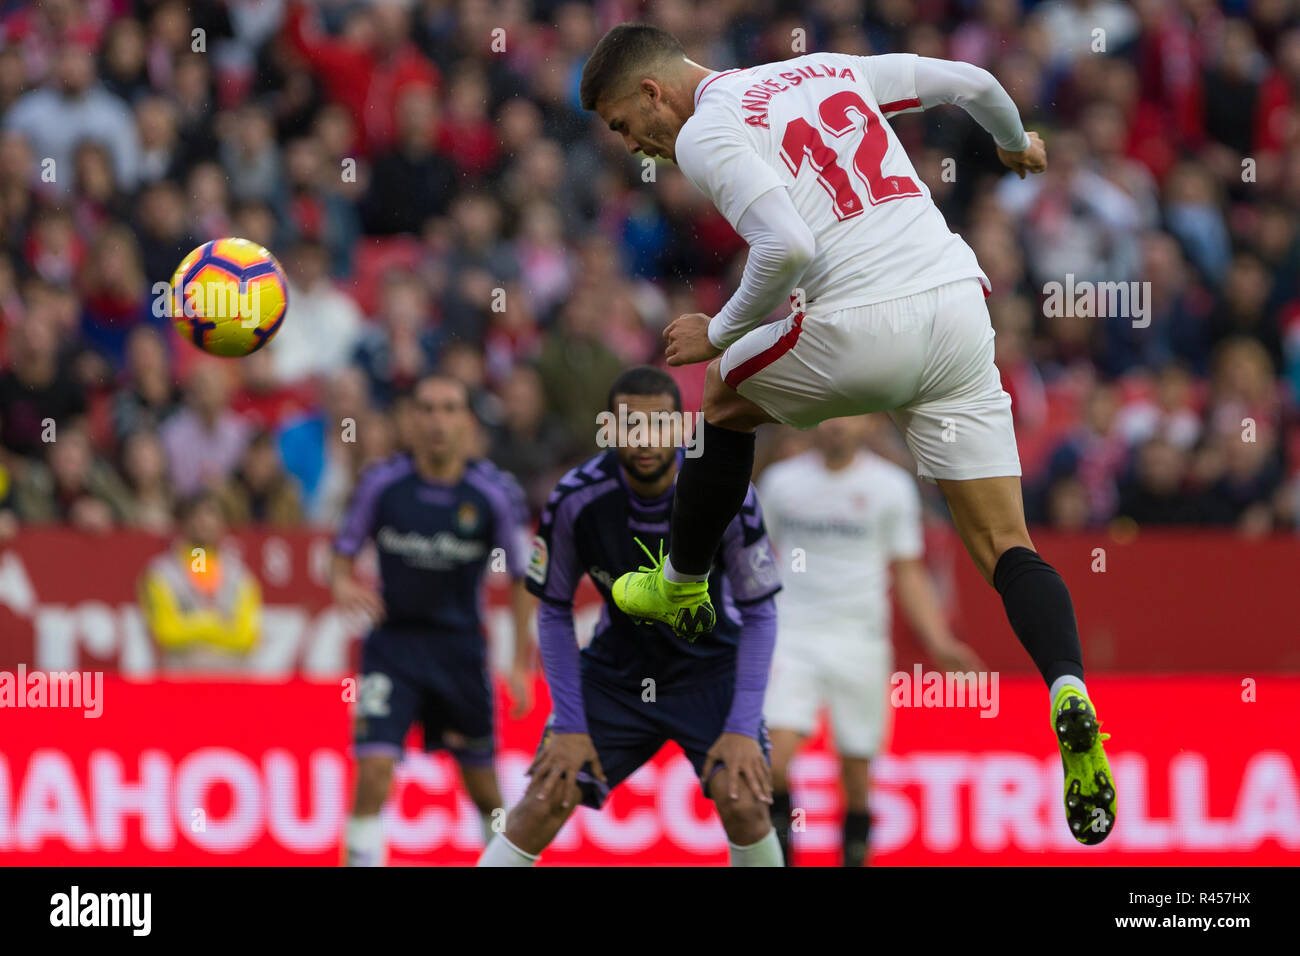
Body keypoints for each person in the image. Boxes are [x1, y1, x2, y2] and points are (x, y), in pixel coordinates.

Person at [581, 23, 1116, 844]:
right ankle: (1068, 692)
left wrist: (720, 330)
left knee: (723, 396)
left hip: (865, 321)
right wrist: (1016, 146)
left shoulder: (706, 127)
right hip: (958, 307)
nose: (631, 144)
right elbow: (973, 81)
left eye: (624, 124)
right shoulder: (827, 69)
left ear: (652, 92)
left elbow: (787, 247)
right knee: (1007, 544)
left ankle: (682, 582)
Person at [479, 366, 784, 867]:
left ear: (681, 429)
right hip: (616, 679)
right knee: (541, 802)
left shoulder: (723, 490)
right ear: (609, 428)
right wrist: (572, 725)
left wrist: (744, 725)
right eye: (628, 425)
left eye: (658, 425)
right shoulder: (576, 497)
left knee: (745, 799)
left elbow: (760, 611)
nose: (644, 439)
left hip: (710, 675)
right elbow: (553, 610)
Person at [758, 415, 983, 866]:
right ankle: (780, 859)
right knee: (773, 762)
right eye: (827, 414)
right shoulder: (781, 483)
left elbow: (908, 571)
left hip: (860, 639)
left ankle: (854, 856)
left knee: (857, 776)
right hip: (792, 635)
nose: (837, 425)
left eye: (849, 414)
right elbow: (756, 558)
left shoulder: (889, 487)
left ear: (869, 422)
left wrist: (939, 641)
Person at [331, 374, 533, 866]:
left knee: (484, 790)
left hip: (460, 651)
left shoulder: (493, 493)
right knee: (374, 772)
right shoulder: (383, 485)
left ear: (466, 421)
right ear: (410, 420)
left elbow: (523, 577)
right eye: (426, 409)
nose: (437, 421)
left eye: (448, 409)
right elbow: (342, 552)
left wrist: (520, 662)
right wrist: (342, 583)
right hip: (392, 648)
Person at [138, 491, 262, 675]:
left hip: (230, 685)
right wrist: (215, 625)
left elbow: (248, 635)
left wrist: (194, 628)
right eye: (197, 515)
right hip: (181, 683)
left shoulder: (240, 576)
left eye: (211, 515)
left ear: (222, 523)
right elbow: (164, 631)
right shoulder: (160, 574)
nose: (204, 522)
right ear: (184, 521)